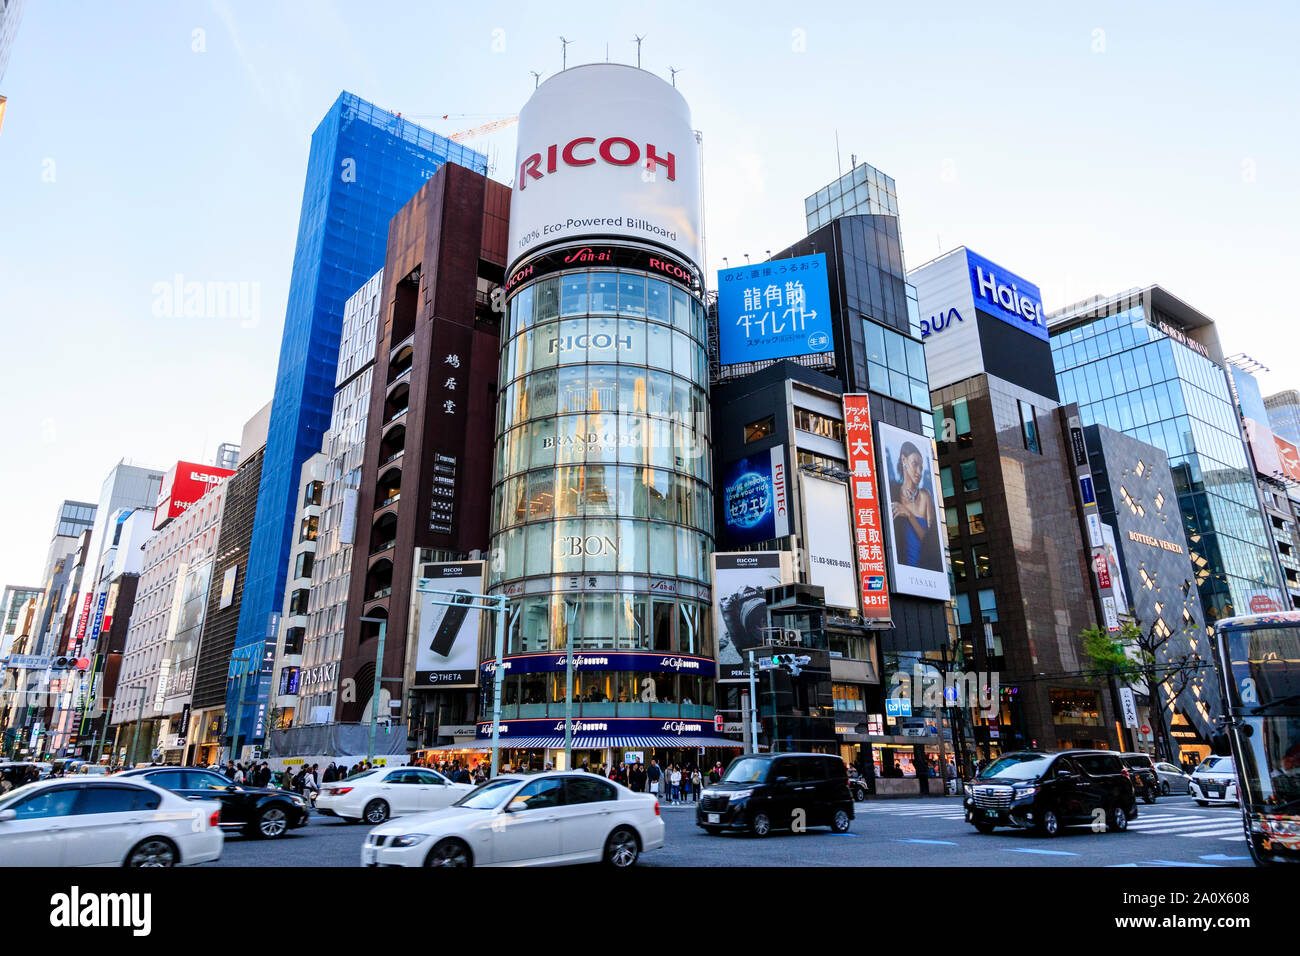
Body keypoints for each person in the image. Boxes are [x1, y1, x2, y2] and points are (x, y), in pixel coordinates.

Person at [889, 441, 942, 572]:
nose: (919, 471)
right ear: (903, 460)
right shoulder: (893, 493)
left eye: (921, 466)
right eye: (915, 464)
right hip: (901, 571)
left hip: (925, 568)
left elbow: (930, 542)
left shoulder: (925, 496)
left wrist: (909, 515)